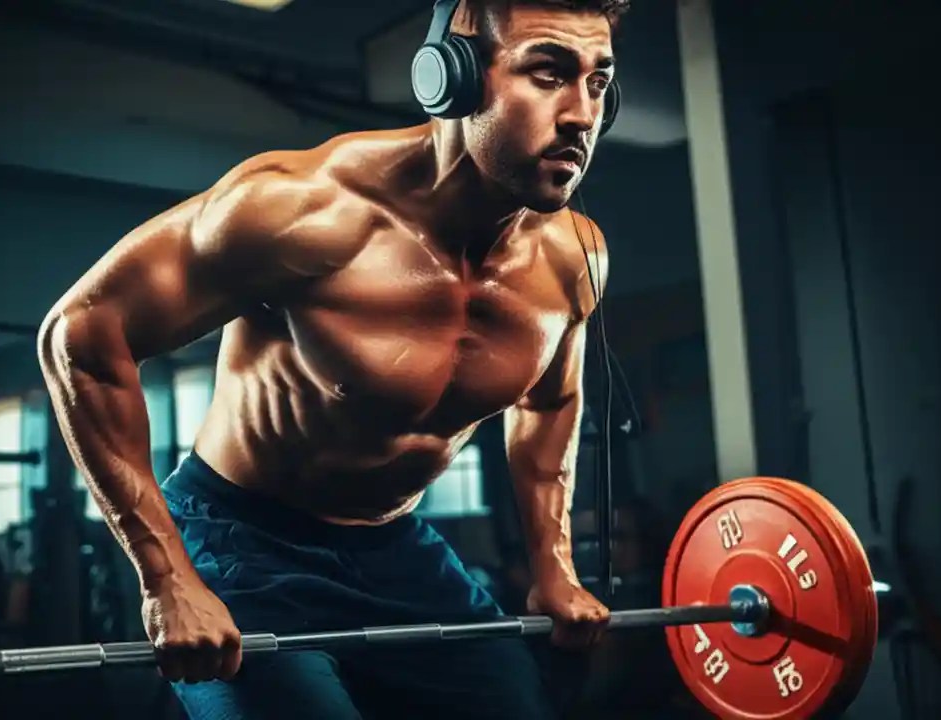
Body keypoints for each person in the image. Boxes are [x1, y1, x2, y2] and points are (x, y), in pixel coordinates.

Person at [38, 0, 627, 717]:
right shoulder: (301, 211)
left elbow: (547, 403)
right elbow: (81, 336)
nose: (581, 114)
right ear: (456, 75)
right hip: (239, 539)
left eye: (598, 83)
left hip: (397, 545)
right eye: (547, 73)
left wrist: (553, 565)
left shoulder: (575, 257)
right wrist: (167, 579)